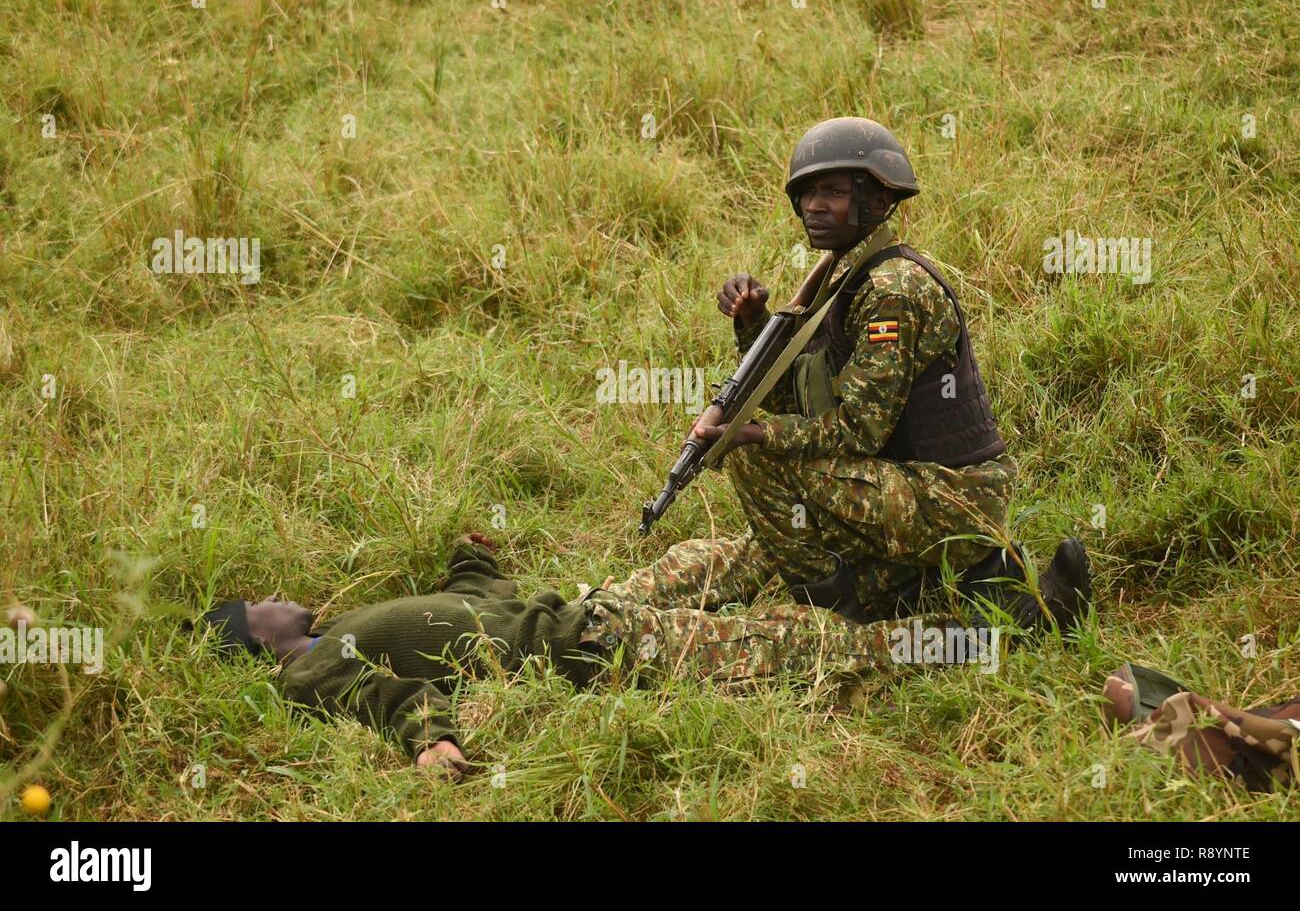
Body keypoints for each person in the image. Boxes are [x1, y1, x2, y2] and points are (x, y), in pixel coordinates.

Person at [682, 116, 1090, 627]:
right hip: (918, 483)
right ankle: (977, 584)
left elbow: (859, 429)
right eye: (806, 193)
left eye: (832, 191)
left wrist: (754, 436)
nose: (813, 206)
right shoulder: (848, 275)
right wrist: (752, 324)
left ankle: (838, 627)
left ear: (875, 199)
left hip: (951, 495)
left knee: (756, 462)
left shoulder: (891, 289)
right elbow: (807, 403)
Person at [196, 534, 985, 781]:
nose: (276, 594)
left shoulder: (350, 620)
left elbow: (471, 606)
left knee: (746, 551)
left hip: (589, 604)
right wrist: (434, 739)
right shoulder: (307, 666)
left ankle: (920, 572)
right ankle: (1004, 624)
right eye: (257, 600)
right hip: (590, 648)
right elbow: (392, 694)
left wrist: (468, 558)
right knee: (809, 645)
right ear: (254, 631)